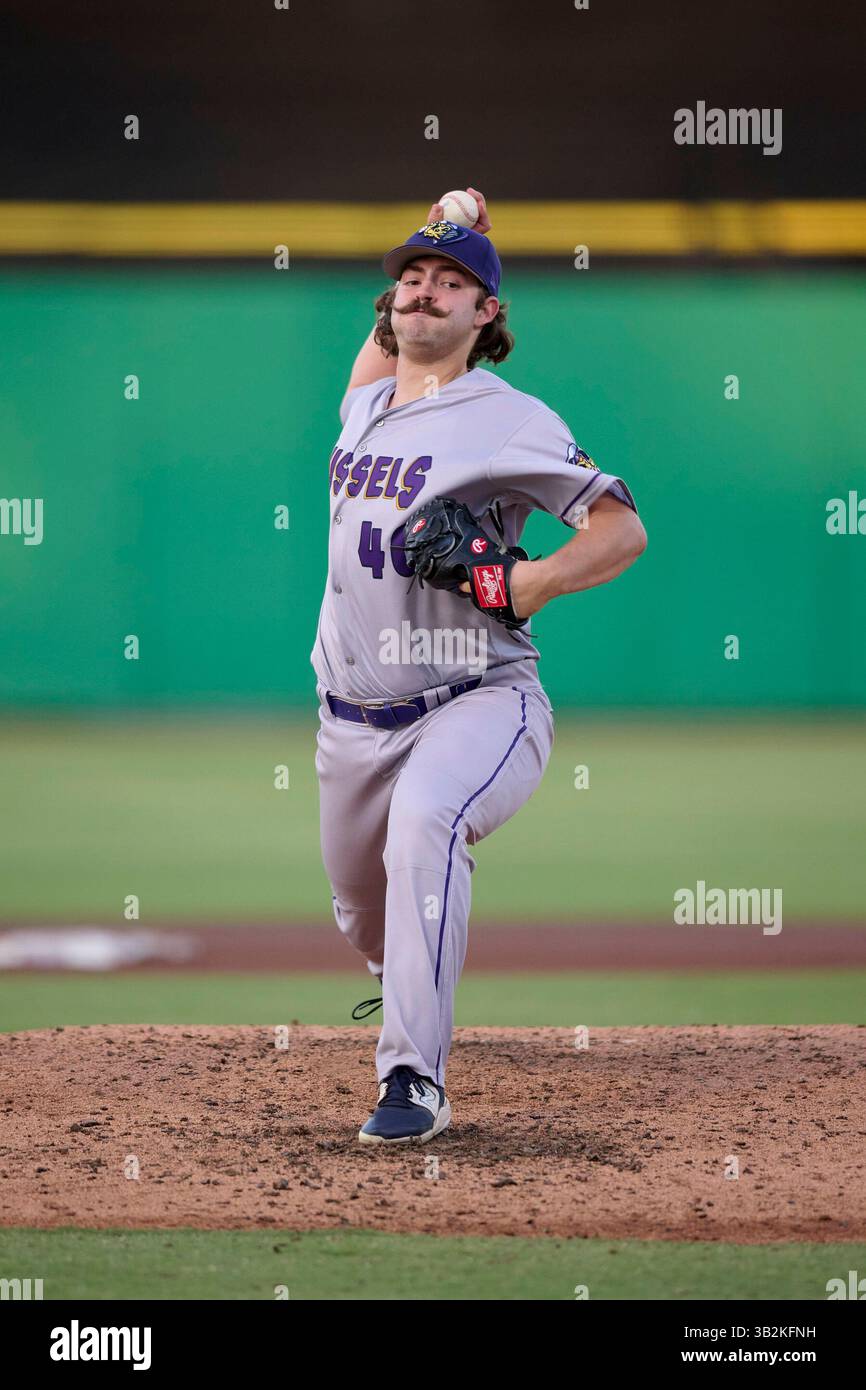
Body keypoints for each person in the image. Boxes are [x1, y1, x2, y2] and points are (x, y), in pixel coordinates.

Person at [310, 187, 646, 1144]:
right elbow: (386, 336)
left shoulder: (509, 419)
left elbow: (622, 530)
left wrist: (527, 581)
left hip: (477, 695)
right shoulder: (368, 401)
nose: (421, 293)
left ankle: (413, 1080)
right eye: (410, 278)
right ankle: (408, 978)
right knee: (360, 914)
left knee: (427, 824)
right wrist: (444, 220)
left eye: (448, 282)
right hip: (349, 717)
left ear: (486, 312)